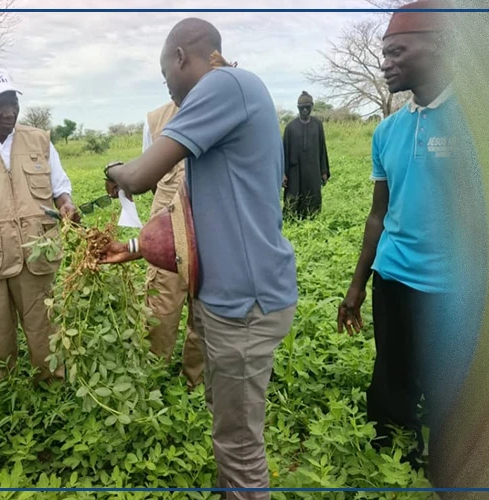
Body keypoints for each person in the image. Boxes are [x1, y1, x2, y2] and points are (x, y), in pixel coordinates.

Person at [100, 18, 298, 500]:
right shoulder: (230, 100)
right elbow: (190, 221)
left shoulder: (223, 84)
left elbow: (142, 177)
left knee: (238, 446)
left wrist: (113, 169)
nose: (165, 81)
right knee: (227, 428)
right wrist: (130, 248)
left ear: (182, 56)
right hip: (226, 302)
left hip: (244, 308)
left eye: (164, 69)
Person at [335, 0, 486, 481]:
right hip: (393, 276)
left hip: (453, 289)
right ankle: (387, 463)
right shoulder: (387, 131)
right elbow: (378, 215)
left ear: (438, 45)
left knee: (451, 388)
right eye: (383, 53)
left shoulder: (480, 126)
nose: (385, 63)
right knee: (391, 374)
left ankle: (446, 470)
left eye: (397, 50)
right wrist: (357, 287)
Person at [0, 67, 79, 382]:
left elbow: (61, 189)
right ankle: (0, 397)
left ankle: (51, 394)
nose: (9, 112)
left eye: (13, 102)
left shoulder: (40, 141)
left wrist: (67, 207)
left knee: (44, 332)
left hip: (37, 257)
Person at [138, 101, 204, 389]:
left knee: (203, 311)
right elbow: (149, 176)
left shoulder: (221, 110)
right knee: (159, 311)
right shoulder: (155, 120)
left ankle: (195, 382)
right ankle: (151, 383)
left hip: (209, 228)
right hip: (164, 233)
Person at [282, 91, 331, 217]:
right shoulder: (290, 127)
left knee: (313, 199)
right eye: (301, 107)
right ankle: (292, 222)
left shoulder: (317, 125)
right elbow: (283, 152)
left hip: (313, 169)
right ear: (297, 107)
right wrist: (282, 174)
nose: (304, 110)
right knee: (293, 199)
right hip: (294, 171)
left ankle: (312, 220)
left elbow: (322, 147)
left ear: (312, 106)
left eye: (307, 107)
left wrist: (324, 171)